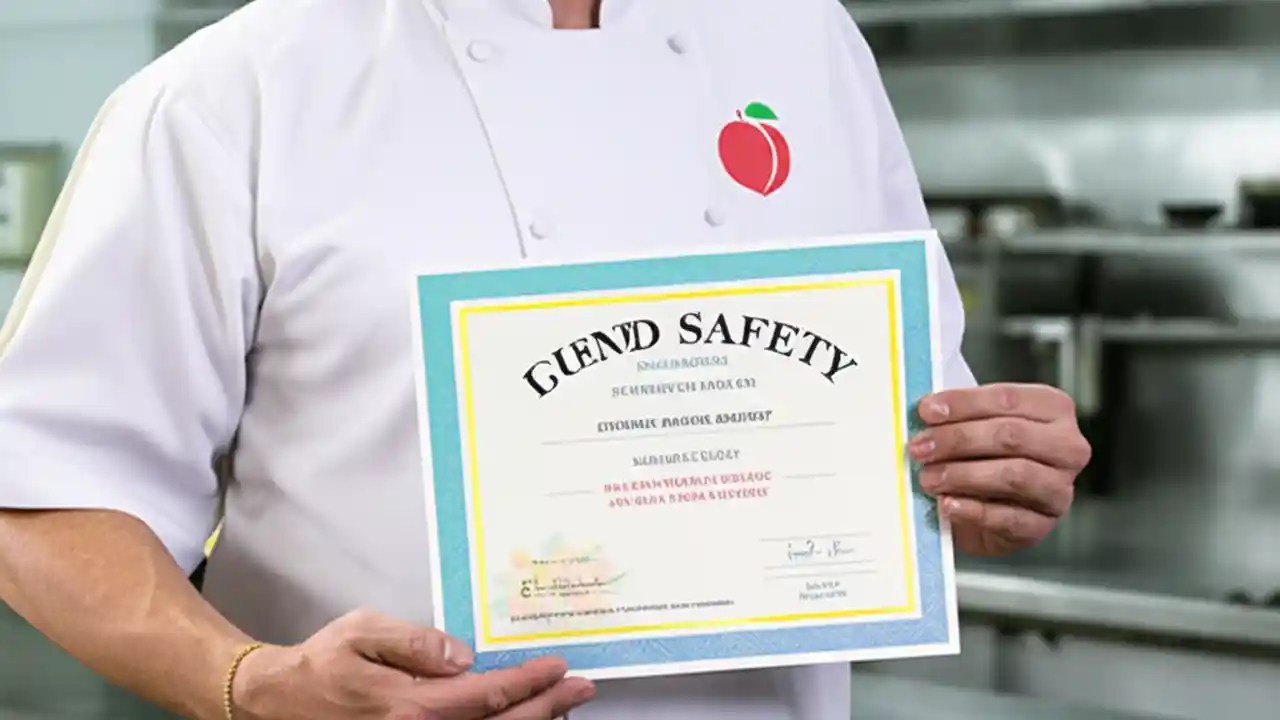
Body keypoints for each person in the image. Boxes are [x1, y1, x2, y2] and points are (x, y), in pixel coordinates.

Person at [0, 1, 1090, 718]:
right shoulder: (234, 91)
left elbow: (914, 444)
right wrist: (250, 683)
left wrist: (990, 475)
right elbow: (43, 500)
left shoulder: (803, 44)